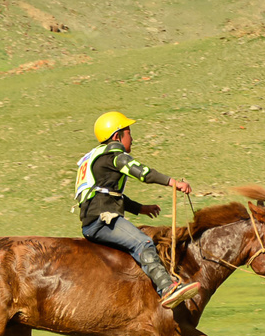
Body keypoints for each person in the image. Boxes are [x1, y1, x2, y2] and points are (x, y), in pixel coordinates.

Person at [75, 111, 200, 309]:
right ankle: (167, 289)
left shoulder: (98, 158)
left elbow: (107, 196)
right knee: (143, 242)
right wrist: (173, 183)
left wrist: (141, 208)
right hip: (101, 221)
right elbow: (142, 173)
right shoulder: (114, 157)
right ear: (117, 136)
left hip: (95, 217)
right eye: (129, 133)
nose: (132, 138)